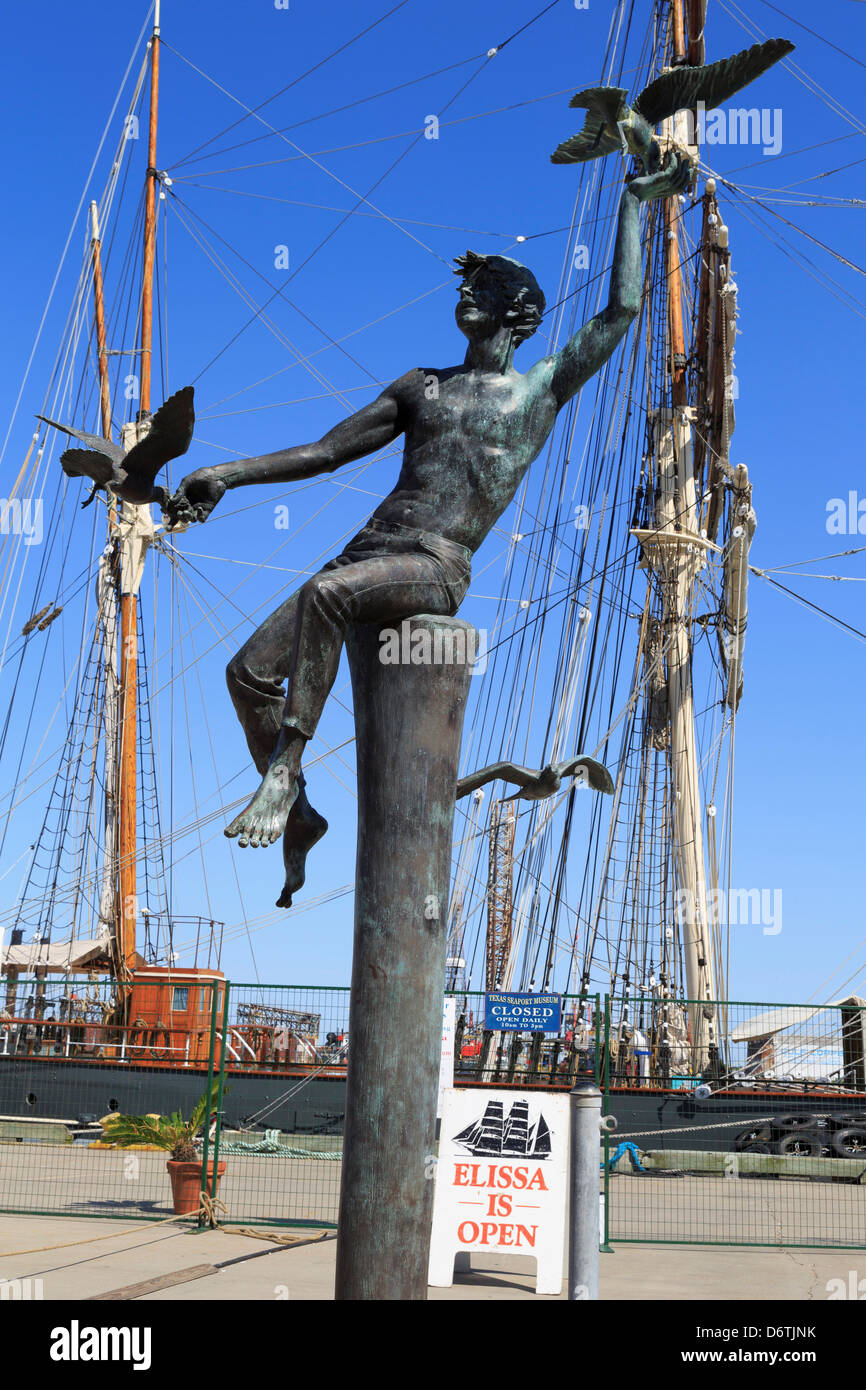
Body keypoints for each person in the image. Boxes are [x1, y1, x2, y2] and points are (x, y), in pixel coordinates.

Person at [167, 155, 691, 907]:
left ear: (519, 314)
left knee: (326, 595)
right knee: (246, 672)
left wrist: (636, 203)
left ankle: (283, 772)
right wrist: (227, 474)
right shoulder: (422, 386)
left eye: (484, 289)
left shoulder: (536, 393)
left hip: (435, 565)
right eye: (466, 286)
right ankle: (304, 816)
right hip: (368, 555)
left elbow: (620, 314)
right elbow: (324, 451)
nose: (466, 295)